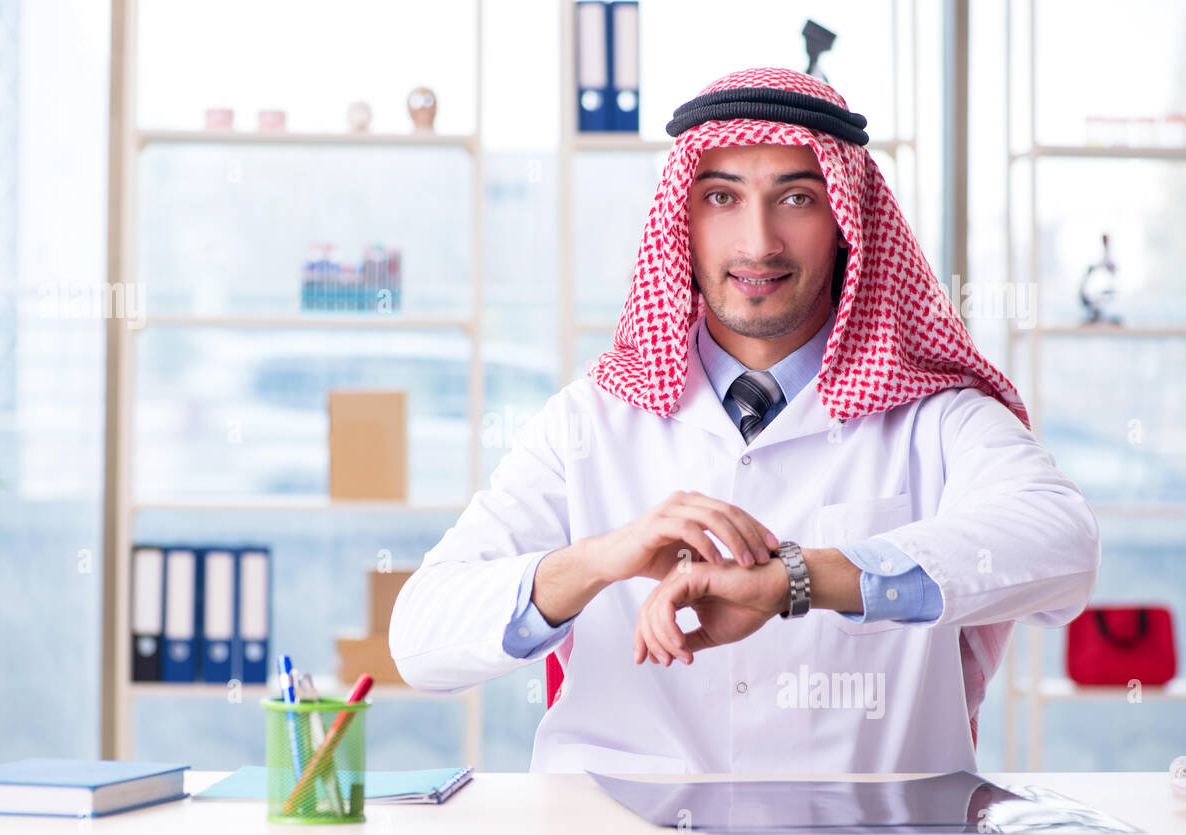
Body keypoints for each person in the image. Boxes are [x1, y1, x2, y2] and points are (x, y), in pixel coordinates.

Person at [388, 67, 1100, 774]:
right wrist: (603, 557)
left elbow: (1062, 545)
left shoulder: (935, 417)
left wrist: (801, 577)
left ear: (848, 225)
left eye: (796, 198)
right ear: (682, 224)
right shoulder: (590, 422)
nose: (759, 243)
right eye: (722, 197)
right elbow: (420, 637)